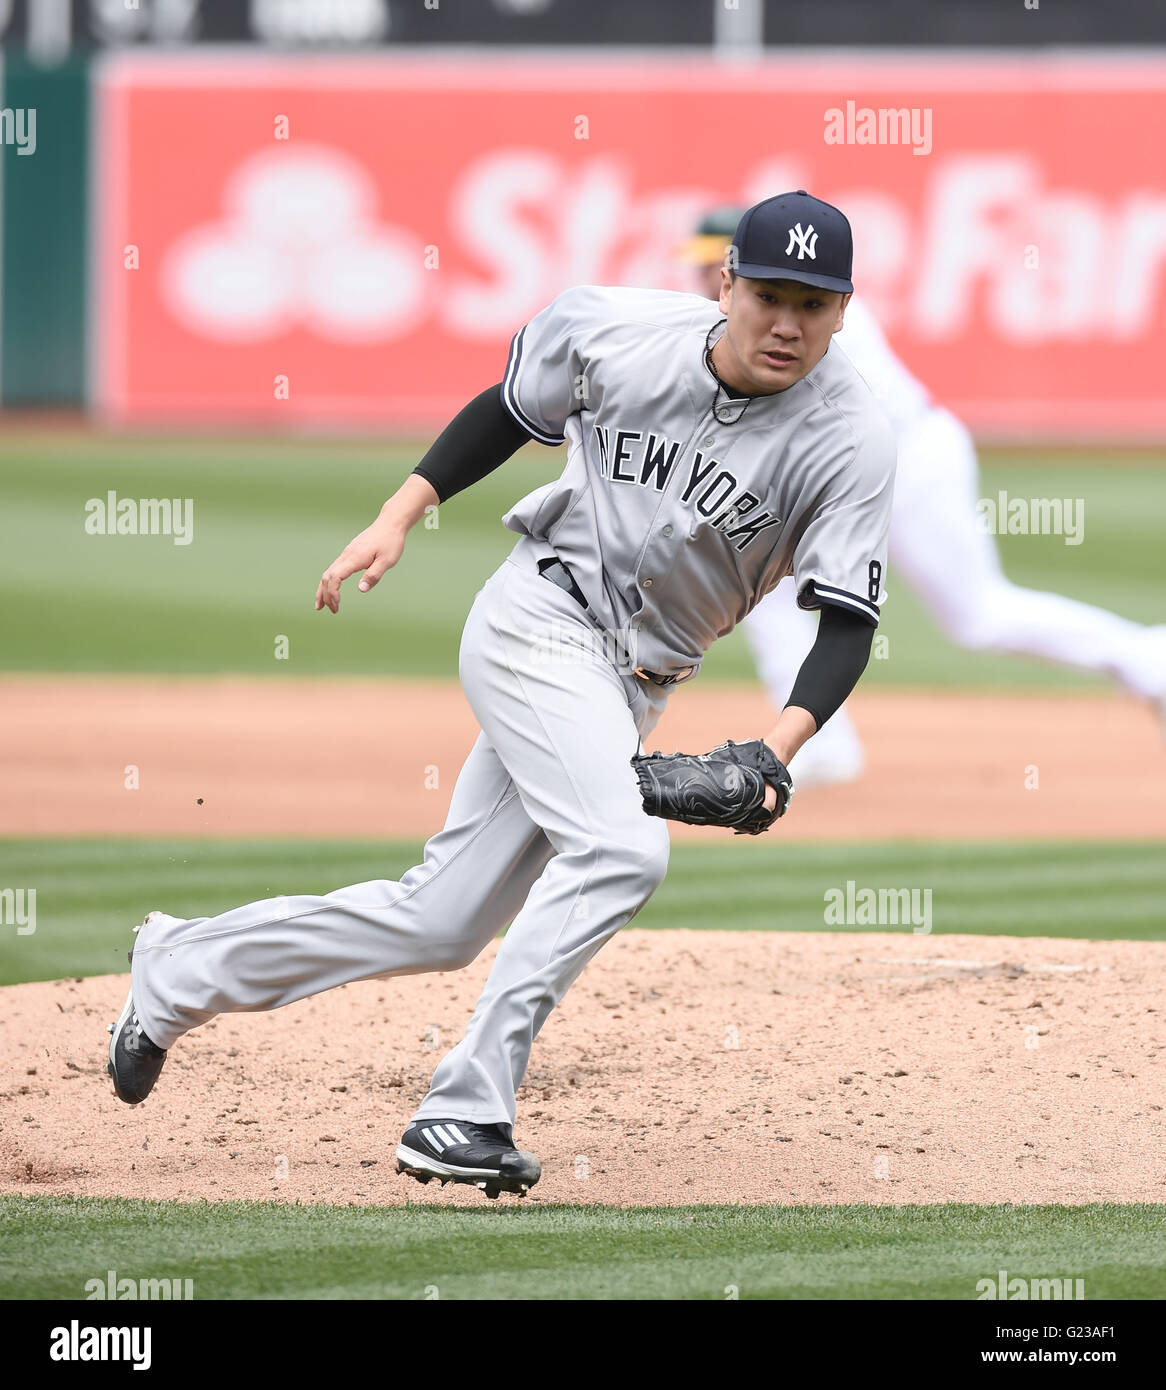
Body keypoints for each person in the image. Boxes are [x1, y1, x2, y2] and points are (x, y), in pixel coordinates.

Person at [106, 192, 895, 1198]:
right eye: (769, 294)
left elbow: (847, 620)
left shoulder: (851, 435)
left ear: (842, 310)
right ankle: (462, 1107)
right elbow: (508, 412)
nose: (787, 323)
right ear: (726, 283)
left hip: (637, 679)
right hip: (539, 619)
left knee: (440, 919)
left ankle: (174, 970)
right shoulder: (616, 331)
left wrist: (772, 750)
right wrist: (401, 511)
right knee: (619, 847)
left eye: (813, 304)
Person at [678, 208, 1166, 787]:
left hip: (911, 461)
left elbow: (837, 433)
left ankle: (1146, 657)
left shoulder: (815, 320)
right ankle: (823, 745)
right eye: (705, 263)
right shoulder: (738, 322)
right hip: (843, 473)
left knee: (978, 615)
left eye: (718, 260)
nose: (708, 274)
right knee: (770, 593)